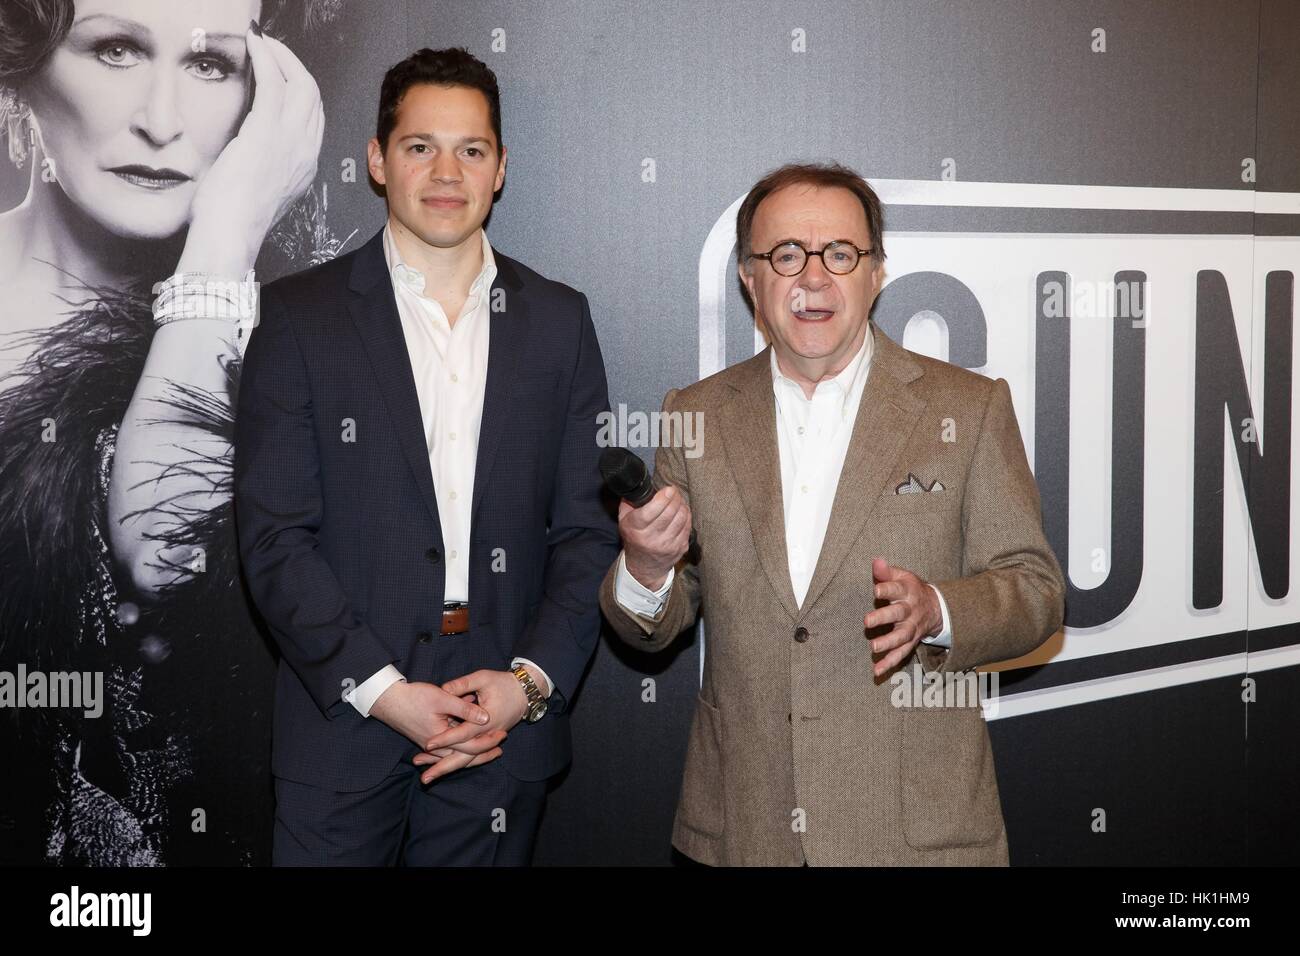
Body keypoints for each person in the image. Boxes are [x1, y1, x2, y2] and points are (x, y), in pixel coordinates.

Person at [599, 162, 1066, 866]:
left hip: (916, 838)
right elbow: (657, 625)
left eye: (840, 254)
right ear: (749, 279)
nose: (813, 279)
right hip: (746, 828)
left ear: (875, 274)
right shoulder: (694, 415)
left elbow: (1037, 593)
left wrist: (937, 609)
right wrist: (645, 565)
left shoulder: (968, 409)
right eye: (786, 255)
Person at [234, 47, 619, 866]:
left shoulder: (559, 323)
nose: (447, 173)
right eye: (420, 147)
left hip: (499, 729)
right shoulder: (300, 318)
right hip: (342, 723)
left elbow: (587, 533)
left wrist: (527, 685)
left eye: (471, 150)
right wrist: (383, 692)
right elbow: (274, 538)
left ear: (501, 167)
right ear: (377, 160)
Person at [0, 0, 340, 865]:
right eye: (115, 49)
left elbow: (167, 554)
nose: (161, 120)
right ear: (22, 61)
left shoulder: (313, 335)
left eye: (209, 64)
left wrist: (225, 242)